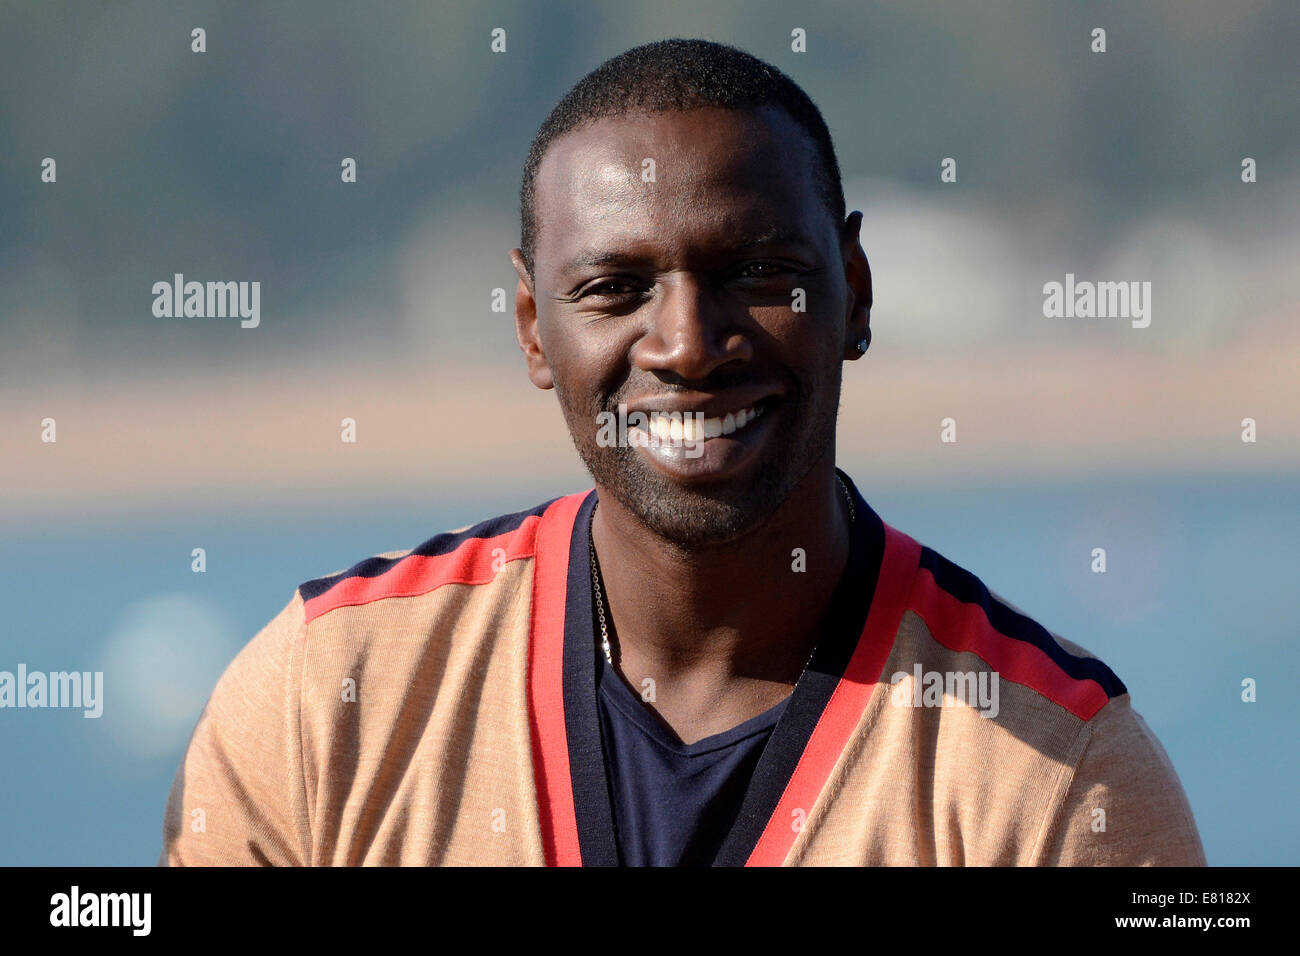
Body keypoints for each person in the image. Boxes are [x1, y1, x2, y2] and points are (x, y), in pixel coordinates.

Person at [159, 38, 1206, 866]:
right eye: (614, 288)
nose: (688, 345)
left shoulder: (1060, 773)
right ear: (533, 327)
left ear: (855, 290)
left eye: (754, 270)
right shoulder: (323, 696)